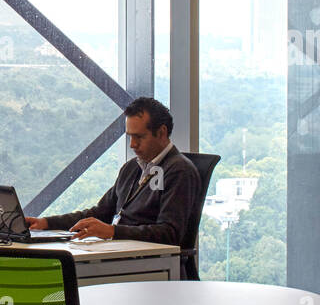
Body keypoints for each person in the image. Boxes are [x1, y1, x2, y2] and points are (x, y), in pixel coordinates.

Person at [27, 96, 199, 245]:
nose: (132, 144)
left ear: (161, 132)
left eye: (139, 137)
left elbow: (170, 233)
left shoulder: (179, 171)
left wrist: (112, 231)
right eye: (130, 136)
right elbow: (100, 213)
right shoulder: (132, 168)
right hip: (121, 254)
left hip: (150, 262)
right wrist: (47, 223)